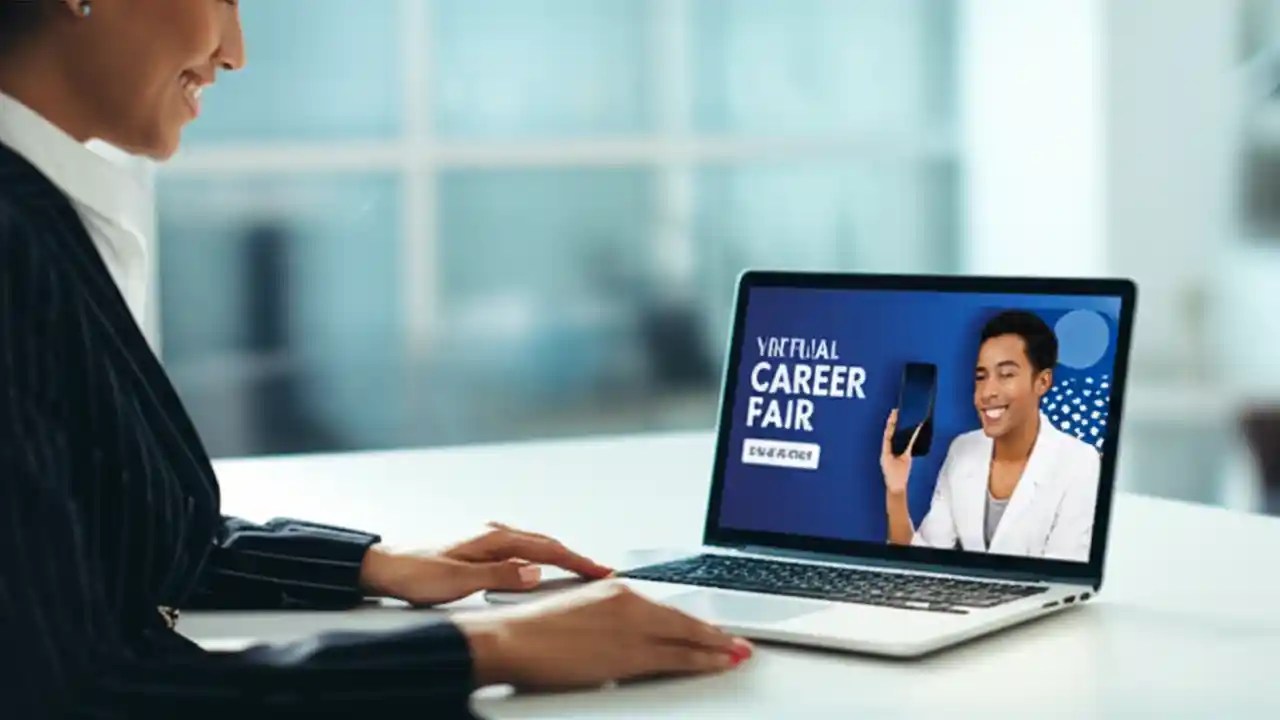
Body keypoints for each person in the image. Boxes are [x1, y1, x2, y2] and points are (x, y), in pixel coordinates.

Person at [0, 2, 751, 717]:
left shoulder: (39, 208)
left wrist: (372, 566)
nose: (236, 51)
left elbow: (93, 539)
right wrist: (487, 649)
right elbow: (69, 696)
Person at [880, 311, 1101, 561]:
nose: (987, 393)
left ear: (1043, 381)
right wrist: (896, 491)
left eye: (1006, 375)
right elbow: (921, 560)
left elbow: (1064, 573)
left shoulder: (1080, 462)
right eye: (980, 377)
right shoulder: (962, 449)